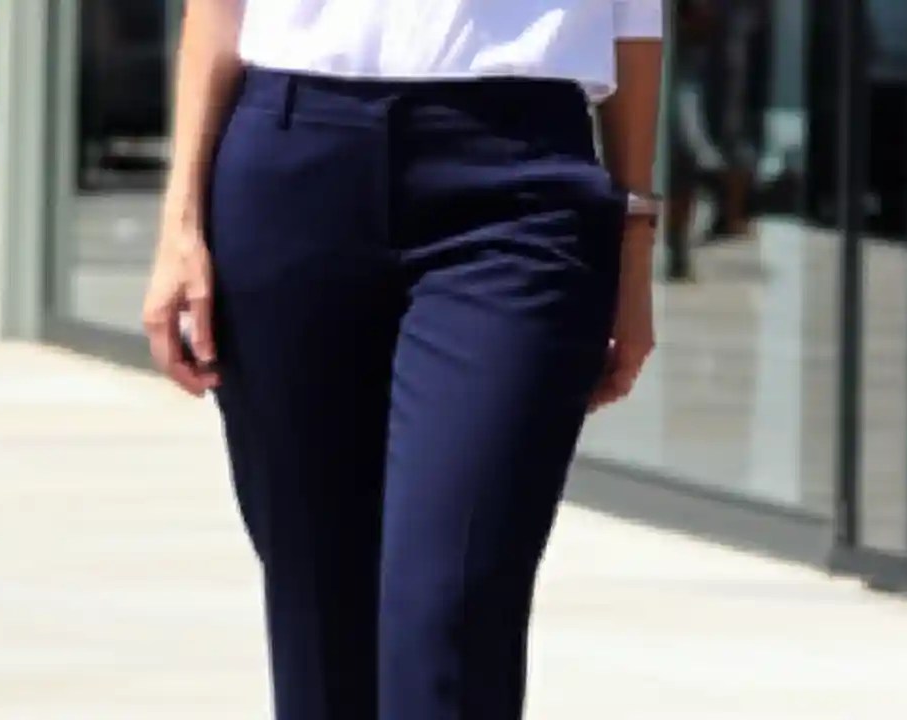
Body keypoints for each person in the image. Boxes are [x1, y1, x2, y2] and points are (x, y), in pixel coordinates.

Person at [142, 1, 663, 718]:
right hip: (289, 162)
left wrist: (634, 245)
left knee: (452, 617)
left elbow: (633, 17)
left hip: (517, 185)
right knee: (320, 625)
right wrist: (181, 220)